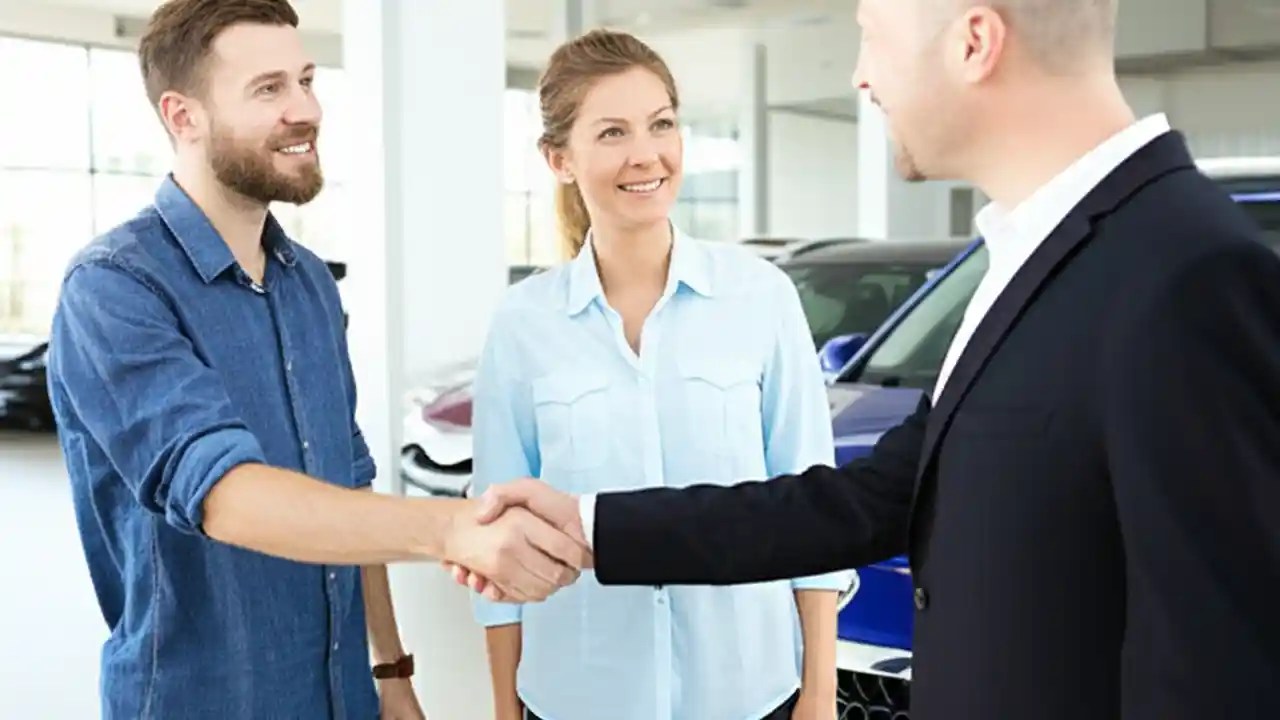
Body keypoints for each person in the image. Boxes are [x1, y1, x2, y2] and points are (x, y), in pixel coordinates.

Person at [450, 1, 1280, 719]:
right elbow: (860, 504)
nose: (859, 76)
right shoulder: (1023, 262)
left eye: (872, 35)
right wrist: (589, 526)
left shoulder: (1188, 273)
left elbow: (1218, 665)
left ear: (973, 43)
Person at [45, 2, 585, 718]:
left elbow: (348, 481)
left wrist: (390, 671)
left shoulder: (307, 284)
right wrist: (451, 530)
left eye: (306, 79)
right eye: (269, 89)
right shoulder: (114, 287)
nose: (306, 109)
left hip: (340, 698)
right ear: (184, 117)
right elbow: (226, 495)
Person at [466, 29, 852, 720]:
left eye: (662, 124)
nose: (645, 154)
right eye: (612, 132)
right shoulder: (523, 324)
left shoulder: (760, 298)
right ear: (559, 158)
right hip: (580, 697)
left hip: (748, 691)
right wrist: (503, 709)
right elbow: (496, 538)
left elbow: (811, 504)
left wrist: (819, 693)